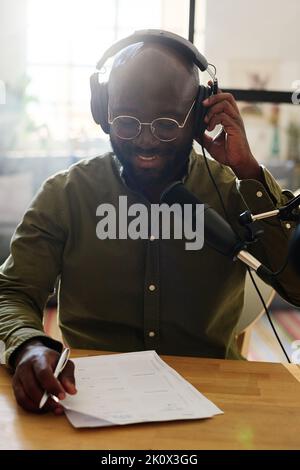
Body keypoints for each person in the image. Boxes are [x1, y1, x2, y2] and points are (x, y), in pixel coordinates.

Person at [0, 33, 299, 415]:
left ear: (200, 117)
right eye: (126, 122)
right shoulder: (66, 194)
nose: (144, 143)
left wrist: (248, 170)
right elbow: (11, 291)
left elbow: (296, 285)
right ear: (102, 111)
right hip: (90, 399)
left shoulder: (232, 191)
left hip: (215, 397)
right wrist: (29, 344)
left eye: (167, 124)